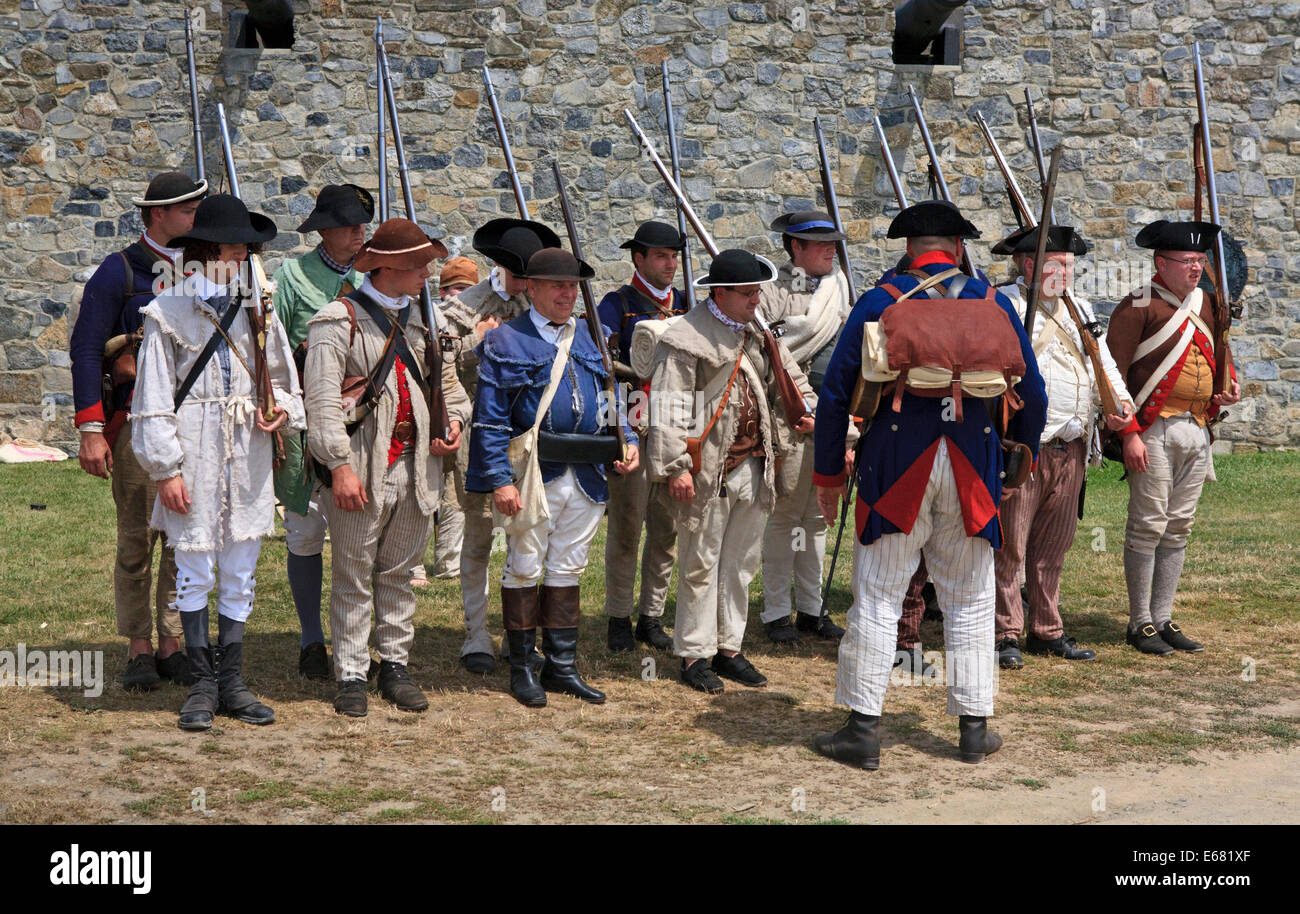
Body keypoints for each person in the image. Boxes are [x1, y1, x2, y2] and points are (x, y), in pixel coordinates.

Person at [811, 200, 1047, 767]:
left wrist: (826, 473)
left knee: (878, 594)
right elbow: (1033, 395)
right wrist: (1021, 463)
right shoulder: (993, 302)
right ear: (959, 248)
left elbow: (835, 394)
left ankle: (863, 731)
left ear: (908, 250)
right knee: (969, 599)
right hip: (973, 466)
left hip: (897, 465)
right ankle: (973, 729)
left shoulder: (879, 301)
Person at [130, 193, 302, 730]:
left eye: (248, 249)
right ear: (207, 250)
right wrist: (167, 470)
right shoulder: (168, 311)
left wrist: (281, 412)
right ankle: (203, 682)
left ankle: (233, 681)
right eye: (236, 248)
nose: (245, 258)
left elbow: (283, 378)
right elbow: (153, 400)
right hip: (195, 449)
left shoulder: (260, 307)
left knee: (240, 566)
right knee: (195, 564)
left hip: (246, 451)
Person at [304, 218, 471, 717]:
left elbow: (453, 390)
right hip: (359, 466)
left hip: (418, 468)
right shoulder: (337, 319)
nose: (428, 271)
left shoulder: (430, 324)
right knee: (353, 573)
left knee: (399, 572)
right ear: (389, 267)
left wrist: (456, 421)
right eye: (418, 263)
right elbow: (322, 403)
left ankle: (394, 664)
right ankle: (352, 672)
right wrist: (338, 467)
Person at [467, 248, 639, 707]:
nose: (568, 294)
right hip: (531, 476)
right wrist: (500, 479)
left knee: (568, 566)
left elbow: (616, 398)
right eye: (558, 286)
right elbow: (490, 421)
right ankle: (523, 668)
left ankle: (562, 666)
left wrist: (630, 441)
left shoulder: (595, 337)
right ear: (534, 288)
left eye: (573, 286)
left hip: (587, 472)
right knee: (524, 566)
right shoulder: (507, 341)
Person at [646, 249, 815, 694]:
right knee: (700, 563)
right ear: (719, 293)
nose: (756, 300)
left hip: (754, 465)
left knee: (739, 564)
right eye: (747, 293)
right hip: (707, 471)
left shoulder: (757, 332)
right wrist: (676, 467)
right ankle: (692, 653)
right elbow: (668, 406)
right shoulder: (685, 338)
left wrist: (813, 413)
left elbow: (791, 379)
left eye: (758, 291)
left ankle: (729, 647)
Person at [69, 171, 206, 692]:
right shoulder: (120, 270)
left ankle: (174, 641)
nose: (195, 219)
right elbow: (86, 351)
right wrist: (91, 429)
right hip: (135, 424)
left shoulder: (206, 269)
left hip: (195, 423)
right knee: (137, 539)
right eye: (187, 211)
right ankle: (139, 647)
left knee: (184, 538)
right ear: (157, 214)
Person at [990, 224, 1137, 668]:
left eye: (1071, 265)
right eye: (1059, 265)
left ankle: (1047, 629)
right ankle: (1004, 633)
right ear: (1030, 265)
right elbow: (1008, 364)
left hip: (1072, 443)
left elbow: (1101, 360)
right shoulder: (1006, 304)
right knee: (1010, 546)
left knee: (1054, 546)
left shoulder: (1079, 307)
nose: (1068, 273)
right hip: (1026, 445)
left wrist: (1120, 402)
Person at [1105, 219, 1239, 656]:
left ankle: (1163, 616)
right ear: (1161, 264)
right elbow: (1112, 378)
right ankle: (1139, 621)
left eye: (1200, 261)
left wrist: (1228, 384)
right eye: (1187, 262)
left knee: (1179, 527)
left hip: (1197, 428)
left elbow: (1221, 353)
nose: (1196, 269)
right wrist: (1128, 434)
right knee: (1148, 526)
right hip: (1152, 429)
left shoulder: (1210, 304)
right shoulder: (1137, 305)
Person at [440, 219, 562, 674]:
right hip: (480, 433)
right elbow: (445, 369)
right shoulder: (463, 308)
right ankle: (475, 634)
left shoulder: (544, 304)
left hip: (535, 439)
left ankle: (521, 633)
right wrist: (481, 343)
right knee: (476, 541)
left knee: (531, 539)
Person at [270, 183, 372, 679]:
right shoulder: (291, 277)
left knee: (368, 533)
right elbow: (276, 359)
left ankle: (363, 642)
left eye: (362, 223)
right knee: (306, 531)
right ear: (325, 230)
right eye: (350, 224)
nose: (359, 232)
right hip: (310, 418)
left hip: (369, 421)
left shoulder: (378, 273)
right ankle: (312, 637)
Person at [758, 211, 855, 644]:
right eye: (821, 244)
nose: (831, 250)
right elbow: (767, 356)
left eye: (833, 243)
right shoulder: (771, 294)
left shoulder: (839, 290)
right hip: (787, 417)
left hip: (832, 420)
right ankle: (777, 612)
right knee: (784, 519)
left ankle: (812, 610)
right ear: (795, 247)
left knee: (815, 520)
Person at [596, 220, 690, 652]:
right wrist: (622, 431)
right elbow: (604, 369)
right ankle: (618, 616)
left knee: (667, 531)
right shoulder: (616, 305)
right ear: (639, 258)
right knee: (627, 530)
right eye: (661, 256)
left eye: (674, 256)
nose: (670, 264)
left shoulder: (689, 305)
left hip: (675, 428)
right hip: (632, 427)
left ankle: (651, 616)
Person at [413, 254, 481, 587]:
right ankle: (413, 564)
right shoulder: (432, 318)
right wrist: (479, 340)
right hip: (428, 414)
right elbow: (453, 355)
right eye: (453, 289)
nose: (457, 296)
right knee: (424, 490)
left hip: (466, 417)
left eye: (465, 290)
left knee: (456, 493)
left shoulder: (479, 320)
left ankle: (449, 561)